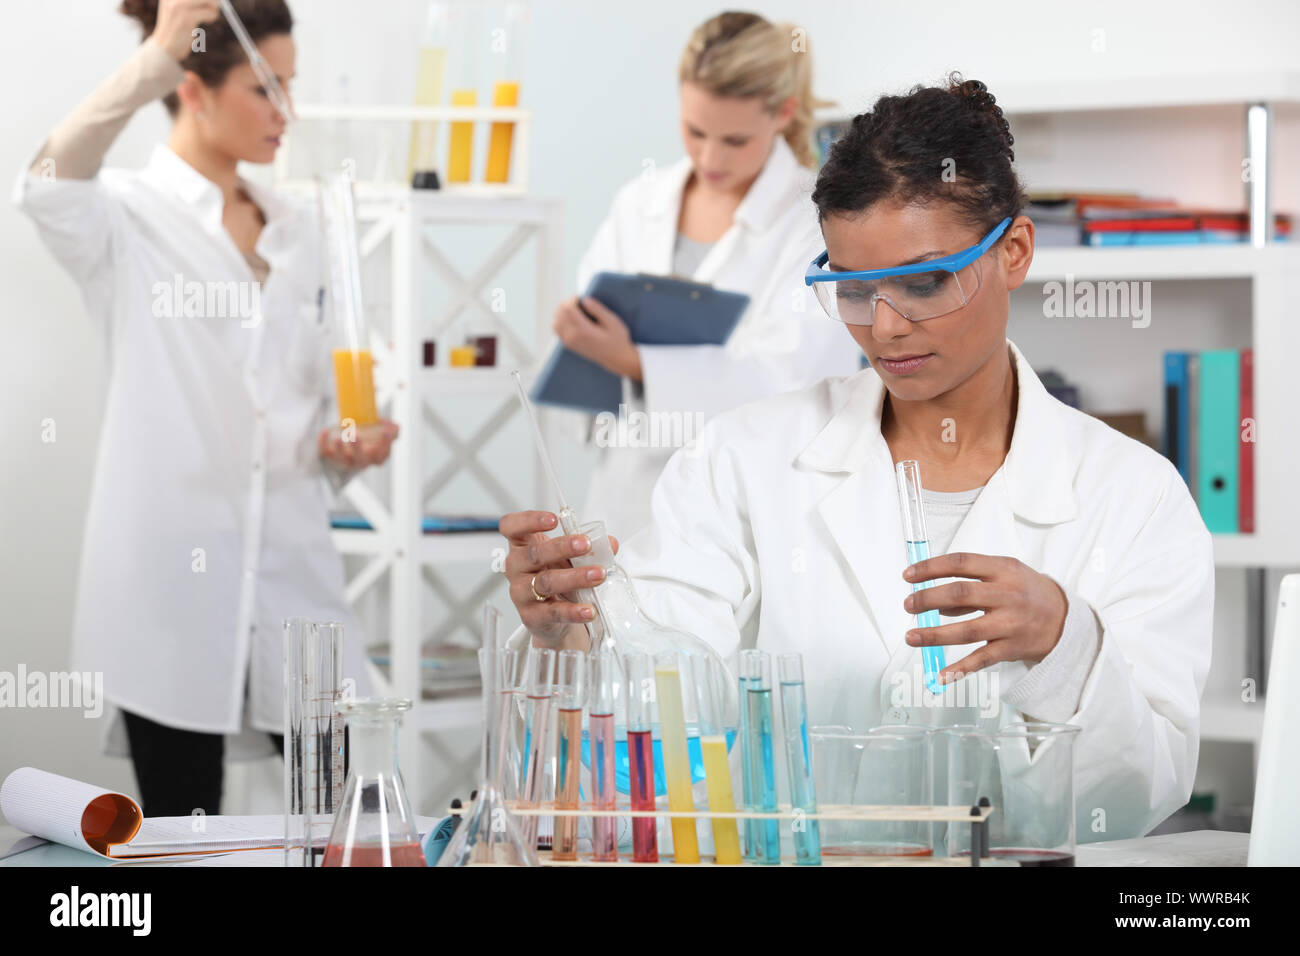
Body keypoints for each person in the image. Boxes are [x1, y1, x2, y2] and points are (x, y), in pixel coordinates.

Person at [500, 75, 1214, 841]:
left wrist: (1065, 642)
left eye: (925, 281)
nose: (885, 327)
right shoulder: (746, 458)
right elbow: (664, 707)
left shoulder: (1131, 495)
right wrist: (570, 631)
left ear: (1014, 251)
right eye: (851, 289)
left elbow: (1142, 796)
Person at [13, 0, 394, 815]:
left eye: (291, 87)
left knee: (332, 828)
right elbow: (42, 182)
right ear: (192, 87)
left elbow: (308, 416)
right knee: (181, 836)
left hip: (295, 582)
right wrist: (153, 53)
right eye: (265, 89)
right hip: (169, 590)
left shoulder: (300, 231)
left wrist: (344, 443)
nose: (286, 113)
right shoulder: (124, 219)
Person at [552, 11, 859, 541]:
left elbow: (795, 381)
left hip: (747, 511)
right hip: (627, 504)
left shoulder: (816, 220)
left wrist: (633, 361)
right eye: (695, 131)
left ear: (783, 113)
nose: (710, 157)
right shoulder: (640, 202)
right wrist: (580, 338)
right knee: (612, 618)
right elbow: (585, 376)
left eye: (735, 141)